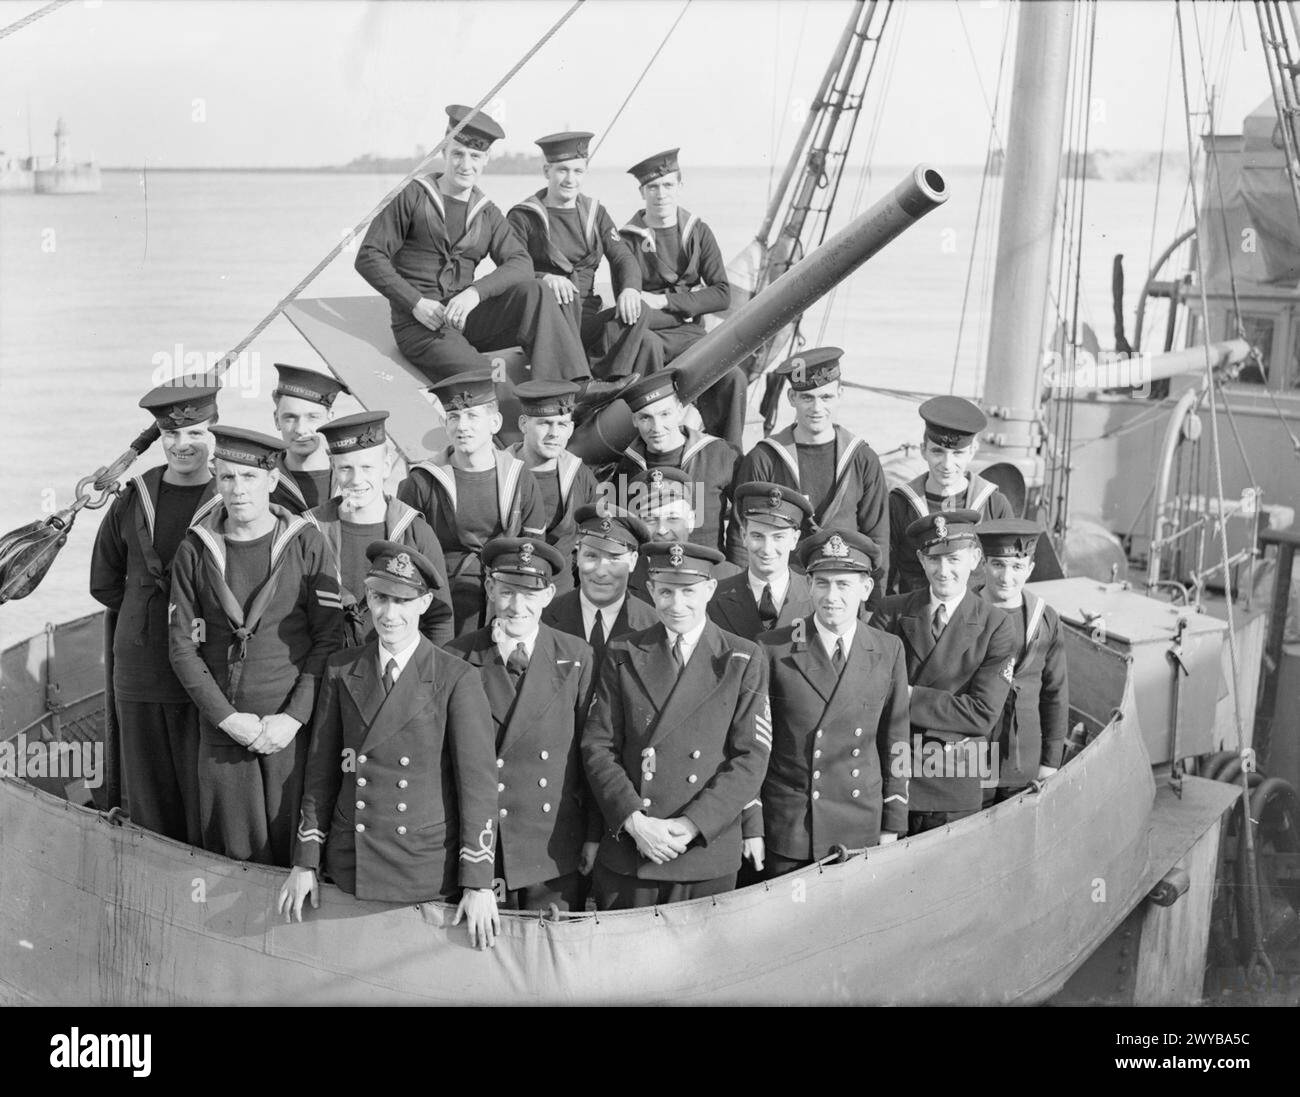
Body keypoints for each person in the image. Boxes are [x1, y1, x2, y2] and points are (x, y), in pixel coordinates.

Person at [279, 542, 501, 949]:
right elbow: (321, 772)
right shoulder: (341, 669)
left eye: (402, 601)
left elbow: (478, 787)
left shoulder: (456, 678)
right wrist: (306, 859)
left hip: (422, 866)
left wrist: (478, 883)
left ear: (425, 603)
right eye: (380, 598)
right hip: (352, 861)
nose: (388, 613)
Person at [354, 104, 625, 404]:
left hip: (465, 318)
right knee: (490, 377)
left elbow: (520, 263)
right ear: (444, 151)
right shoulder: (412, 195)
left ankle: (574, 389)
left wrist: (474, 294)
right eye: (458, 154)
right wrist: (415, 303)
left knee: (535, 289)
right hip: (421, 327)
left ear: (486, 160)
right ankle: (538, 414)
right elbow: (369, 256)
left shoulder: (487, 213)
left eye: (475, 156)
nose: (465, 165)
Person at [169, 425, 345, 865]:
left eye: (249, 478)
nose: (237, 490)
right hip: (225, 731)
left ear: (271, 479)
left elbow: (328, 638)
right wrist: (227, 720)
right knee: (232, 858)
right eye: (227, 477)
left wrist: (293, 718)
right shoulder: (195, 550)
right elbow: (182, 648)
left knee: (297, 854)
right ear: (215, 477)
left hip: (290, 731)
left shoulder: (306, 543)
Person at [582, 540, 771, 909]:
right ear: (651, 590)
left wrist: (691, 826)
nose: (677, 604)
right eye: (666, 592)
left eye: (688, 591)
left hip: (703, 852)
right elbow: (597, 746)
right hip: (632, 850)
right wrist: (636, 823)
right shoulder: (623, 652)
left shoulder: (742, 657)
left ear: (710, 589)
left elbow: (751, 757)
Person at [89, 377, 222, 842]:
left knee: (203, 796)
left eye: (195, 433)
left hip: (207, 672)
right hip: (141, 671)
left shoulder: (235, 495)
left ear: (215, 432)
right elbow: (103, 582)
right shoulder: (132, 497)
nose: (182, 444)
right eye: (171, 434)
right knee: (147, 798)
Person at [445, 537, 597, 911]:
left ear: (548, 596)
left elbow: (592, 753)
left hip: (553, 850)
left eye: (530, 594)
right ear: (490, 588)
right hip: (484, 847)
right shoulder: (457, 657)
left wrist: (593, 835)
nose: (517, 607)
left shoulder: (576, 657)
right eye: (508, 592)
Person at [757, 530, 911, 878]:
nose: (832, 597)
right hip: (793, 827)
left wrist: (893, 820)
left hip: (860, 824)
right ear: (808, 585)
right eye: (822, 583)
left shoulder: (888, 649)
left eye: (844, 584)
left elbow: (896, 741)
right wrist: (754, 824)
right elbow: (756, 746)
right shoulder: (774, 648)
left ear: (866, 589)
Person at [873, 511, 1015, 836]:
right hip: (896, 773)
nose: (944, 570)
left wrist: (906, 695)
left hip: (956, 777)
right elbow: (871, 694)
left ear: (975, 558)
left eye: (954, 558)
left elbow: (981, 714)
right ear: (922, 560)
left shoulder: (996, 625)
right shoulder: (890, 613)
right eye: (934, 559)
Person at [605, 148, 747, 447]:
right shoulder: (627, 238)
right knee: (652, 364)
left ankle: (729, 457)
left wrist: (665, 301)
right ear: (642, 191)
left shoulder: (698, 232)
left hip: (690, 334)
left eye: (668, 185)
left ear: (680, 186)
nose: (661, 194)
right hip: (648, 333)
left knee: (733, 378)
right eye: (653, 187)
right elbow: (630, 305)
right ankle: (650, 449)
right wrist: (686, 304)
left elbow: (721, 294)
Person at [728, 348, 890, 607]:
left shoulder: (862, 459)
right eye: (807, 398)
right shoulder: (765, 458)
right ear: (791, 397)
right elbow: (741, 535)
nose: (817, 408)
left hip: (843, 591)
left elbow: (878, 537)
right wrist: (740, 602)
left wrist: (874, 606)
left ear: (840, 394)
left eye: (826, 397)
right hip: (783, 594)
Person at [395, 369, 547, 635]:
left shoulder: (519, 477)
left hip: (505, 602)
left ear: (495, 422)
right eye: (453, 417)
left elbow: (534, 551)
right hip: (441, 608)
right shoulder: (422, 481)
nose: (462, 426)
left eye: (472, 416)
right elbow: (406, 556)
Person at [507, 130, 652, 379]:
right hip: (548, 321)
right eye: (562, 170)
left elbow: (623, 257)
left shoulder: (595, 213)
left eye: (578, 171)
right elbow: (510, 269)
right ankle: (584, 384)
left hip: (586, 317)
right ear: (546, 172)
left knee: (641, 309)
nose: (570, 179)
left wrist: (630, 289)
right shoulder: (523, 216)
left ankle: (608, 380)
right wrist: (544, 278)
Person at [308, 410, 454, 647]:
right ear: (333, 469)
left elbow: (439, 618)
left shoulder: (414, 532)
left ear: (386, 467)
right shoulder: (310, 532)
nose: (356, 479)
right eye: (346, 468)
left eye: (367, 467)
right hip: (326, 669)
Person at [975, 519, 1068, 804]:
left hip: (1023, 754)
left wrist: (1050, 762)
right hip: (971, 754)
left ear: (1029, 569)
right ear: (983, 563)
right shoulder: (966, 611)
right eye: (998, 564)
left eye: (1016, 567)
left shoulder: (1044, 619)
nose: (1006, 576)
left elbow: (1055, 694)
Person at [888, 396, 1014, 595]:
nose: (947, 465)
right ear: (923, 451)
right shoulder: (899, 504)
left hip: (976, 618)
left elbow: (1007, 575)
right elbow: (886, 573)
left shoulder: (994, 504)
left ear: (973, 451)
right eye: (937, 452)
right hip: (913, 617)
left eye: (957, 454)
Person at [614, 369, 738, 553]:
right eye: (646, 417)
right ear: (634, 420)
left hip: (709, 573)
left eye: (665, 414)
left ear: (680, 411)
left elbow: (745, 516)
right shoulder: (628, 463)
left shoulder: (719, 453)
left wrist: (734, 570)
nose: (657, 428)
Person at [505, 380, 599, 595]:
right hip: (509, 589)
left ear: (571, 428)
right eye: (544, 423)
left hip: (560, 594)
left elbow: (597, 536)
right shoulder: (501, 472)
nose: (554, 433)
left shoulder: (579, 475)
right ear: (523, 424)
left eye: (562, 424)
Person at [541, 503, 658, 673]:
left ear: (633, 561)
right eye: (591, 555)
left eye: (614, 558)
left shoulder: (653, 626)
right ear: (577, 556)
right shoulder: (544, 619)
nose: (601, 571)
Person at [708, 482, 814, 637]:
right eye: (757, 536)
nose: (767, 549)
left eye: (778, 537)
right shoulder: (713, 598)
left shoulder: (815, 596)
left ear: (794, 540)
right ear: (744, 536)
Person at [622, 466, 741, 603]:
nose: (662, 529)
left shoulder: (728, 579)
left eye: (673, 518)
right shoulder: (621, 579)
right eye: (650, 519)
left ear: (691, 521)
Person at [267, 363, 349, 514]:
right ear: (277, 420)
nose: (300, 429)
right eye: (290, 418)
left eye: (312, 417)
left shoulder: (352, 479)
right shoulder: (263, 482)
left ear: (329, 418)